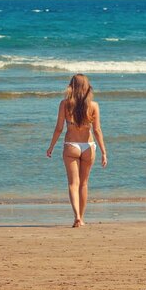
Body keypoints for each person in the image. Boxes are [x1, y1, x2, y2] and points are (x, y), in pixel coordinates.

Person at [46, 73, 108, 227]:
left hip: (71, 146)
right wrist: (103, 152)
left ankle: (77, 217)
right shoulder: (94, 106)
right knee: (84, 184)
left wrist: (51, 146)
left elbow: (59, 128)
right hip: (89, 146)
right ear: (87, 87)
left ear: (71, 86)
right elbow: (97, 130)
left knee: (73, 183)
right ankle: (82, 217)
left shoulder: (65, 104)